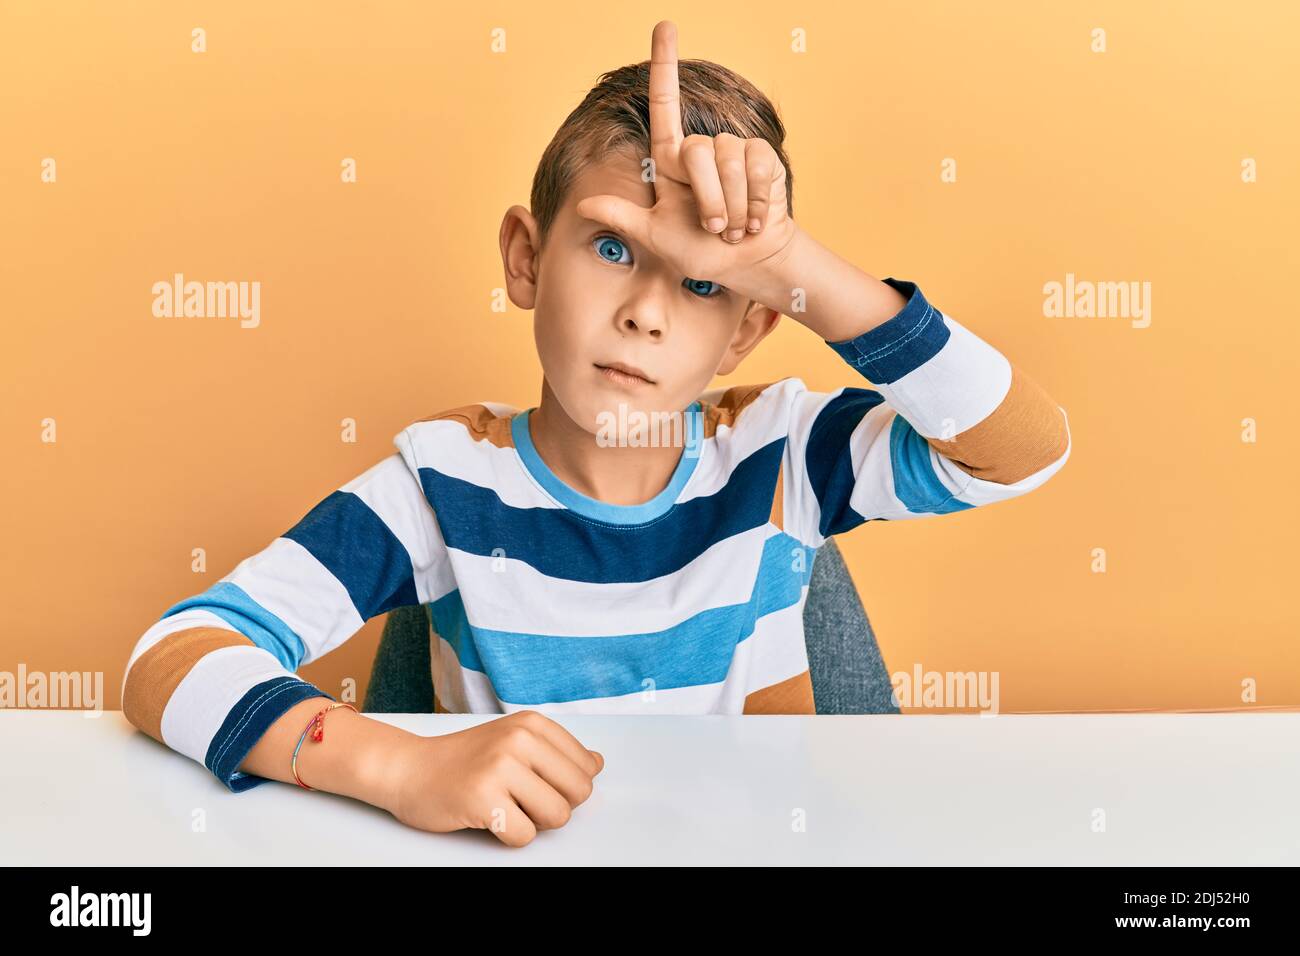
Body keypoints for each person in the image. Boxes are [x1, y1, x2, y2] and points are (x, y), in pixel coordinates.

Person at [122, 21, 1071, 847]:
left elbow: (1022, 448)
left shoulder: (785, 458)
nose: (647, 315)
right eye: (612, 248)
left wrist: (789, 263)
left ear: (748, 327)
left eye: (702, 282)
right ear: (526, 258)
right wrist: (400, 768)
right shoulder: (441, 484)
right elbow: (171, 657)